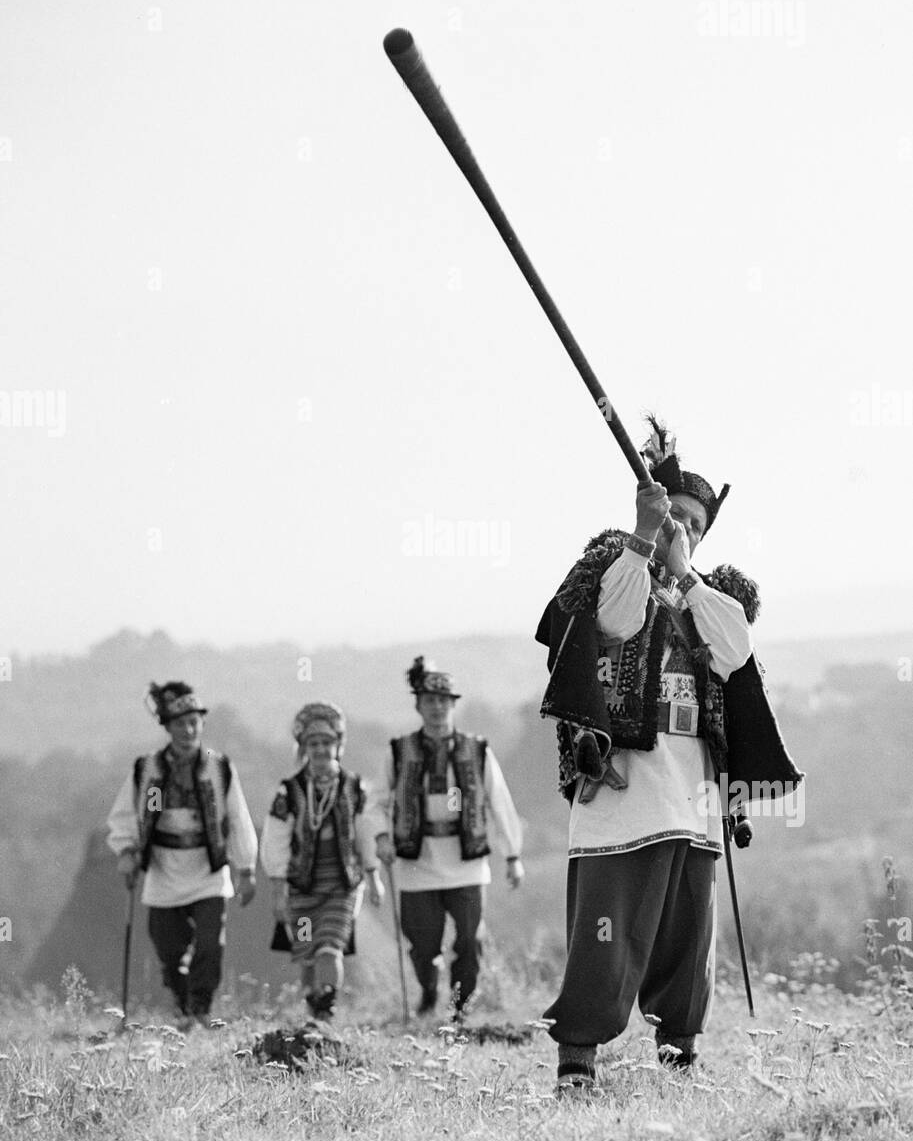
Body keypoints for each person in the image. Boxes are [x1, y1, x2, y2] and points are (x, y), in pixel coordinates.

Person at [536, 418, 800, 1092]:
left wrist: (682, 569)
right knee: (607, 930)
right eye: (671, 513)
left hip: (695, 789)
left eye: (690, 521)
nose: (678, 526)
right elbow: (612, 622)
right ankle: (578, 1062)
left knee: (687, 938)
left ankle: (679, 1055)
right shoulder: (611, 565)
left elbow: (735, 654)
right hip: (623, 782)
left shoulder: (710, 594)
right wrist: (641, 537)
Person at [372, 657, 525, 1020]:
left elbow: (499, 802)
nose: (437, 707)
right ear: (418, 705)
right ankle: (428, 990)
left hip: (466, 864)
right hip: (417, 862)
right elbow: (376, 800)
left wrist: (513, 856)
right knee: (422, 944)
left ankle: (460, 1009)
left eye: (443, 701)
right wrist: (381, 837)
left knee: (470, 941)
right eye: (429, 701)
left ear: (454, 705)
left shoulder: (477, 750)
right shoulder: (399, 751)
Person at [106, 681, 258, 1025]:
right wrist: (127, 850)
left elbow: (237, 817)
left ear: (202, 724)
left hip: (208, 871)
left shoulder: (219, 769)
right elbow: (127, 814)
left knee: (209, 944)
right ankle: (182, 1001)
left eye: (194, 722)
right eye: (180, 724)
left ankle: (201, 1008)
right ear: (167, 727)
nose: (188, 730)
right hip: (164, 869)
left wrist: (246, 868)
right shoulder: (149, 771)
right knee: (169, 948)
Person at [260, 702, 383, 1021]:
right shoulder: (289, 791)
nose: (321, 750)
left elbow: (365, 832)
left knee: (330, 947)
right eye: (313, 744)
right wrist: (278, 890)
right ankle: (312, 1013)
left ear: (338, 746)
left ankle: (326, 1012)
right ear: (303, 748)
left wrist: (373, 878)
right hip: (302, 888)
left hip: (342, 885)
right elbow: (276, 839)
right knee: (307, 955)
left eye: (327, 743)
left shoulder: (354, 788)